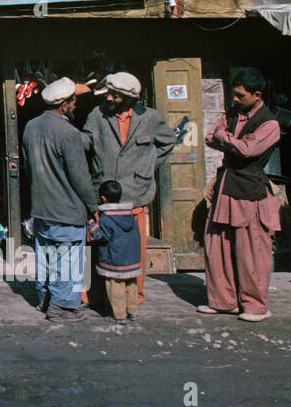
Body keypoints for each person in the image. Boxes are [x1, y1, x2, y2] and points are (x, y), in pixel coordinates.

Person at [81, 71, 176, 304]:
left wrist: (147, 166)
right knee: (97, 244)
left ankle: (133, 297)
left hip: (136, 194)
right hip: (102, 194)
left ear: (128, 97)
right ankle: (96, 296)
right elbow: (85, 143)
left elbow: (168, 142)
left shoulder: (151, 118)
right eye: (109, 93)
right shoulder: (97, 115)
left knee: (133, 249)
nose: (109, 98)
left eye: (115, 95)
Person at [200, 68, 281, 321]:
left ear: (257, 95)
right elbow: (210, 136)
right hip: (225, 187)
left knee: (251, 251)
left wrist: (226, 137)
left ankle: (255, 305)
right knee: (218, 246)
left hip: (249, 191)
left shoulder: (270, 123)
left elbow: (248, 149)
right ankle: (224, 301)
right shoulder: (233, 115)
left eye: (240, 96)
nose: (234, 100)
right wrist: (229, 138)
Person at [22, 77, 96, 323]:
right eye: (73, 102)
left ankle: (44, 299)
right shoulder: (68, 133)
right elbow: (81, 178)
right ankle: (63, 307)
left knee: (45, 255)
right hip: (66, 208)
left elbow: (27, 166)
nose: (75, 106)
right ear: (64, 104)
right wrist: (92, 206)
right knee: (68, 258)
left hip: (41, 207)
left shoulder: (31, 127)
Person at [86, 180, 142, 323]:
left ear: (103, 198)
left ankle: (119, 315)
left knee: (115, 285)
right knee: (131, 284)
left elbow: (101, 237)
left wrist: (91, 225)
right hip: (131, 257)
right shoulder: (130, 215)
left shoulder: (106, 217)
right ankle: (133, 311)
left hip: (114, 259)